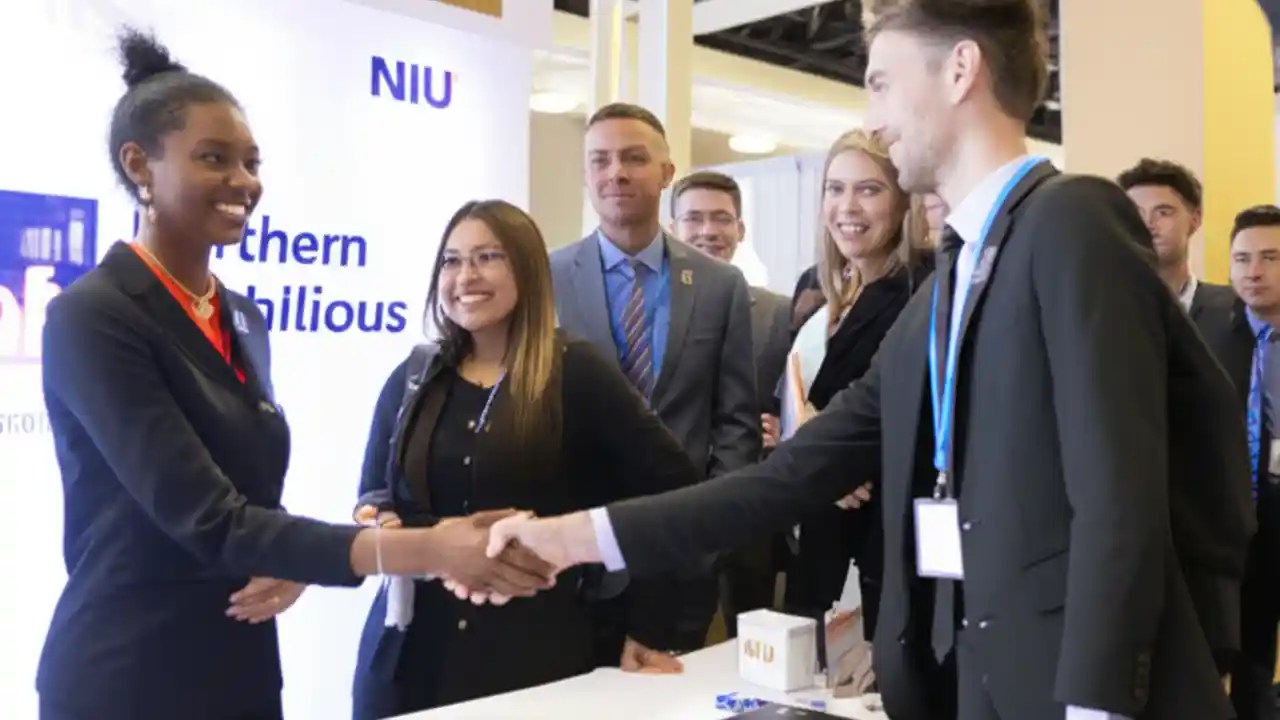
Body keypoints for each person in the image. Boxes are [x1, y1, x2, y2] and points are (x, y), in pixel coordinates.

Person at [479, 1, 1252, 718]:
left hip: (1070, 688)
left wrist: (1098, 704)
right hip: (971, 674)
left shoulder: (1071, 220)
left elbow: (1120, 492)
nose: (872, 118)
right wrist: (573, 537)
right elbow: (788, 476)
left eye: (880, 82)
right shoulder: (944, 291)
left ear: (959, 70)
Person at [36, 30, 552, 720]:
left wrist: (292, 557)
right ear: (140, 165)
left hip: (242, 662)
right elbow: (207, 518)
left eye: (251, 162)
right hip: (129, 672)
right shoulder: (93, 316)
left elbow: (249, 497)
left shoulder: (241, 317)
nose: (244, 182)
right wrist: (428, 548)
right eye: (214, 159)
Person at [349, 200, 695, 718]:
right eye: (451, 260)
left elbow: (675, 492)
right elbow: (374, 494)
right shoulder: (417, 374)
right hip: (409, 655)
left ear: (527, 269)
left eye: (488, 257)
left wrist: (648, 623)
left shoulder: (575, 372)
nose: (466, 276)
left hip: (536, 657)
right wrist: (382, 521)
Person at [549, 102, 759, 653]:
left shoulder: (719, 286)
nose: (615, 172)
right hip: (573, 561)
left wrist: (711, 532)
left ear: (667, 173)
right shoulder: (544, 278)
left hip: (681, 559)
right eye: (600, 160)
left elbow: (735, 424)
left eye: (634, 158)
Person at [765, 129, 930, 640]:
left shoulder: (919, 290)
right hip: (819, 537)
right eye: (835, 189)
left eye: (868, 189)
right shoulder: (831, 293)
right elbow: (802, 406)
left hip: (879, 548)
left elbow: (924, 419)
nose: (846, 206)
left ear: (905, 200)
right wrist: (790, 437)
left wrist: (838, 462)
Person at [668, 170, 790, 635]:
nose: (707, 231)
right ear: (674, 228)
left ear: (741, 230)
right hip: (670, 511)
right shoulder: (646, 309)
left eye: (721, 219)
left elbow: (798, 396)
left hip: (751, 518)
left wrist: (788, 431)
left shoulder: (781, 312)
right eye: (693, 218)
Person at [1196, 205, 1280, 720]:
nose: (1253, 271)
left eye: (1270, 258)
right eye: (1242, 258)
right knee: (1242, 650)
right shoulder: (1208, 336)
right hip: (1230, 518)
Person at [1117, 158, 1235, 315]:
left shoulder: (1234, 310)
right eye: (1136, 213)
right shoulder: (1101, 311)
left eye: (1163, 213)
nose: (1147, 224)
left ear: (1195, 219)